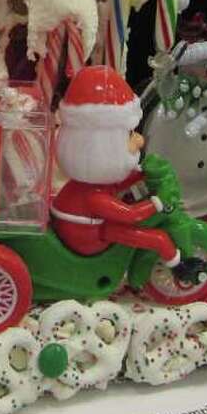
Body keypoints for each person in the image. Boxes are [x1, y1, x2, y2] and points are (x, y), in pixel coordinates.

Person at [51, 66, 181, 267]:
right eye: (129, 135)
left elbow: (115, 186)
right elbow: (131, 215)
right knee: (157, 238)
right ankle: (174, 260)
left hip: (87, 228)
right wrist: (158, 202)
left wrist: (141, 175)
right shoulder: (94, 197)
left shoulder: (89, 185)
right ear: (104, 145)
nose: (139, 140)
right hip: (89, 239)